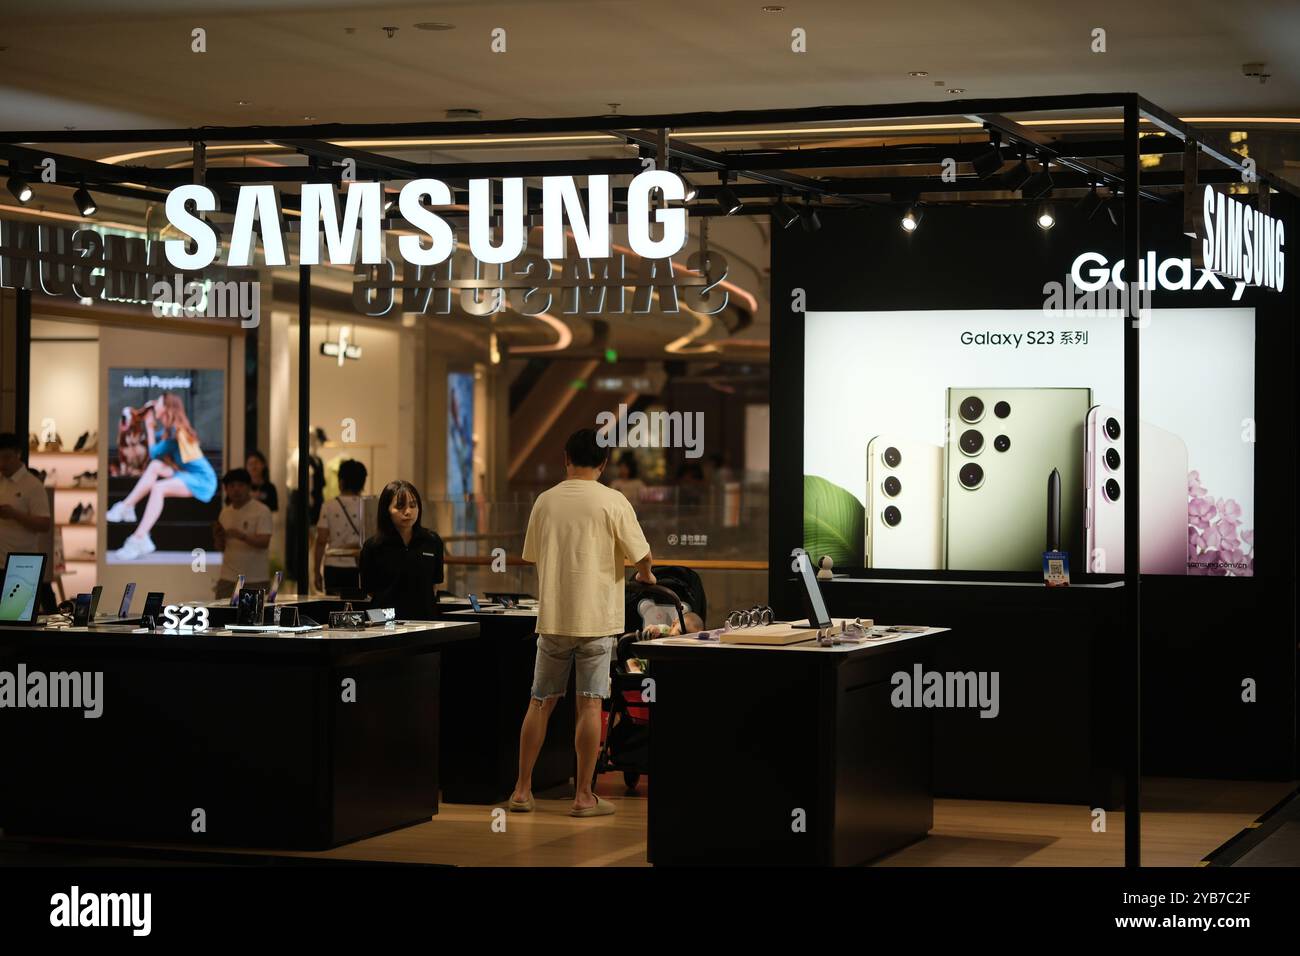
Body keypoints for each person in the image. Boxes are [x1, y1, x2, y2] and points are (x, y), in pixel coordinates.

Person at [509, 428, 654, 818]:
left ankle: (522, 791)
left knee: (539, 703)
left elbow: (532, 555)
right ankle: (584, 796)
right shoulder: (613, 501)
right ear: (604, 464)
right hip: (596, 621)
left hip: (554, 618)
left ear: (566, 458)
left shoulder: (545, 501)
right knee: (590, 707)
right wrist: (647, 575)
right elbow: (642, 555)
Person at [107, 392, 218, 561]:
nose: (154, 404)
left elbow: (153, 452)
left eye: (158, 402)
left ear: (166, 407)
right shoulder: (170, 430)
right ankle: (127, 507)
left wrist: (150, 426)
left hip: (202, 479)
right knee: (156, 467)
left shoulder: (176, 432)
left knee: (159, 488)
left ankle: (139, 537)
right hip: (187, 474)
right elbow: (155, 450)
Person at [359, 480, 444, 619]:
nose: (408, 512)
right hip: (384, 623)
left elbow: (434, 585)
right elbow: (370, 591)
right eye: (400, 507)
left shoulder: (432, 541)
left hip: (424, 620)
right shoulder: (373, 546)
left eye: (413, 505)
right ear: (386, 510)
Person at [0, 433, 53, 600]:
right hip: (1, 562)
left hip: (21, 565)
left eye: (7, 457)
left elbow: (44, 524)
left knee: (15, 617)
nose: (2, 463)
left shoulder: (33, 485)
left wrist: (14, 514)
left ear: (18, 454)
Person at [211, 468, 273, 599]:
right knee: (222, 616)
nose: (236, 490)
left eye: (240, 485)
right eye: (231, 486)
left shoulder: (261, 510)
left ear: (248, 487)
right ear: (226, 489)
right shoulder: (225, 513)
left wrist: (242, 536)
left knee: (256, 618)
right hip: (227, 578)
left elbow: (264, 542)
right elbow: (221, 548)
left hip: (255, 579)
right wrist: (218, 537)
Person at [314, 459, 367, 595]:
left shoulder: (328, 506)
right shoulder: (368, 506)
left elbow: (321, 541)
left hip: (333, 565)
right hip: (360, 566)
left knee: (333, 608)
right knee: (357, 609)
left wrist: (316, 572)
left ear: (341, 481)